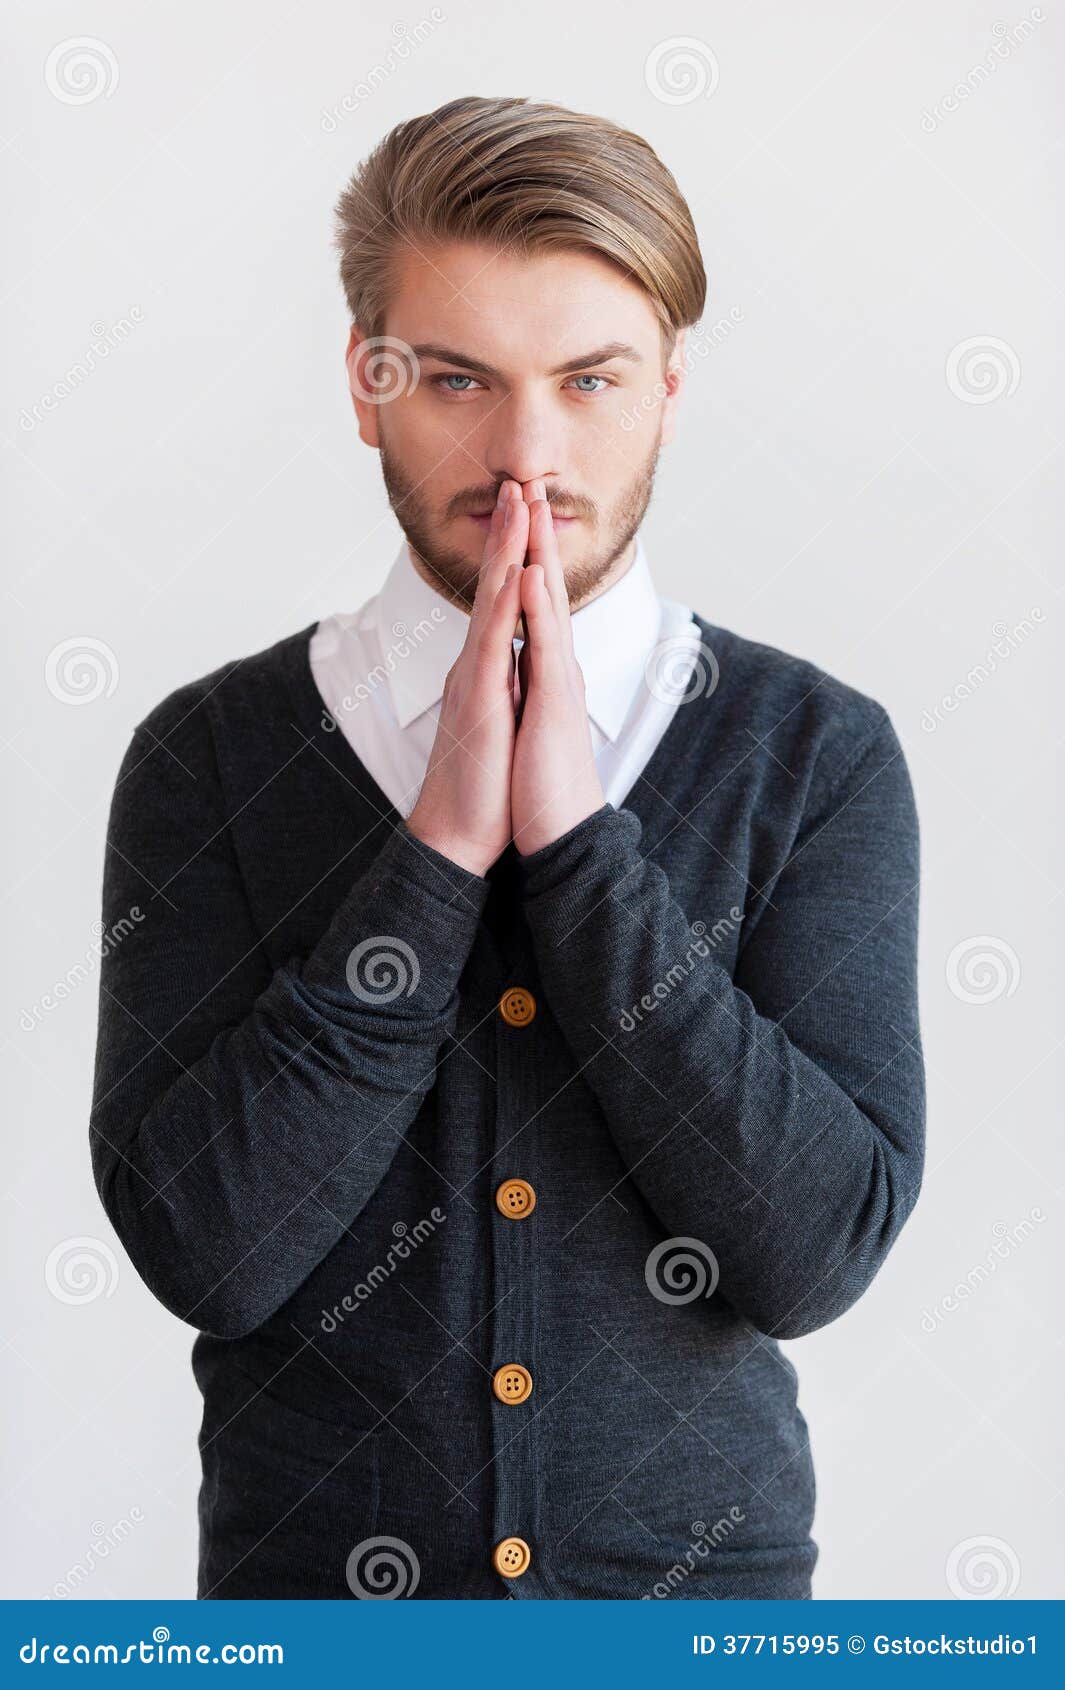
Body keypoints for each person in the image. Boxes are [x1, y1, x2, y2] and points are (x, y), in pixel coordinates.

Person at [89, 95, 925, 1601]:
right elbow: (209, 1248)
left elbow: (810, 1254)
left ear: (669, 387)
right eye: (457, 379)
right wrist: (433, 849)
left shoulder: (814, 753)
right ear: (367, 383)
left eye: (588, 380)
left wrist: (580, 849)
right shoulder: (206, 756)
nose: (524, 451)